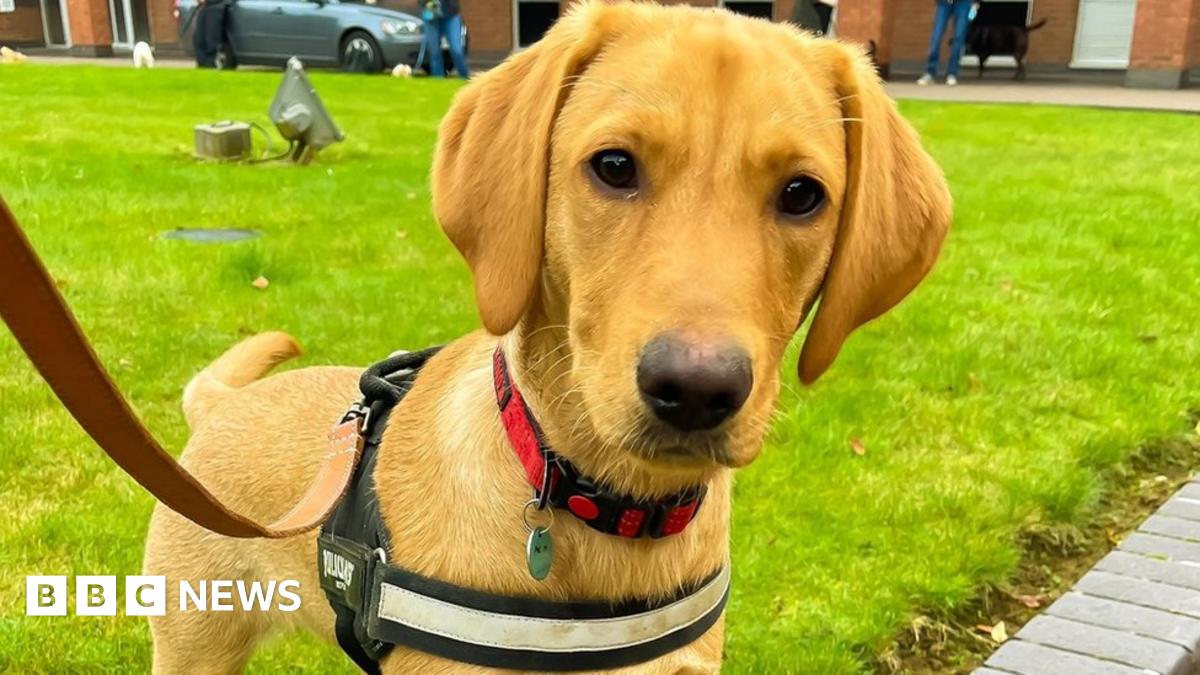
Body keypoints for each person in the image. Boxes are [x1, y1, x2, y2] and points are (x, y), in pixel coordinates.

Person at [916, 0, 977, 86]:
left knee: (959, 37)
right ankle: (930, 72)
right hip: (944, 2)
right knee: (937, 35)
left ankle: (952, 73)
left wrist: (976, 2)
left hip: (963, 2)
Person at [420, 0, 469, 79]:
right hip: (430, 15)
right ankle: (438, 78)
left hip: (450, 15)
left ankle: (464, 76)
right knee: (434, 50)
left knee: (456, 49)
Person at [192, 0, 228, 68]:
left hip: (216, 6)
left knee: (211, 40)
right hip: (205, 7)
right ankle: (202, 64)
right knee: (199, 39)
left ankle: (209, 64)